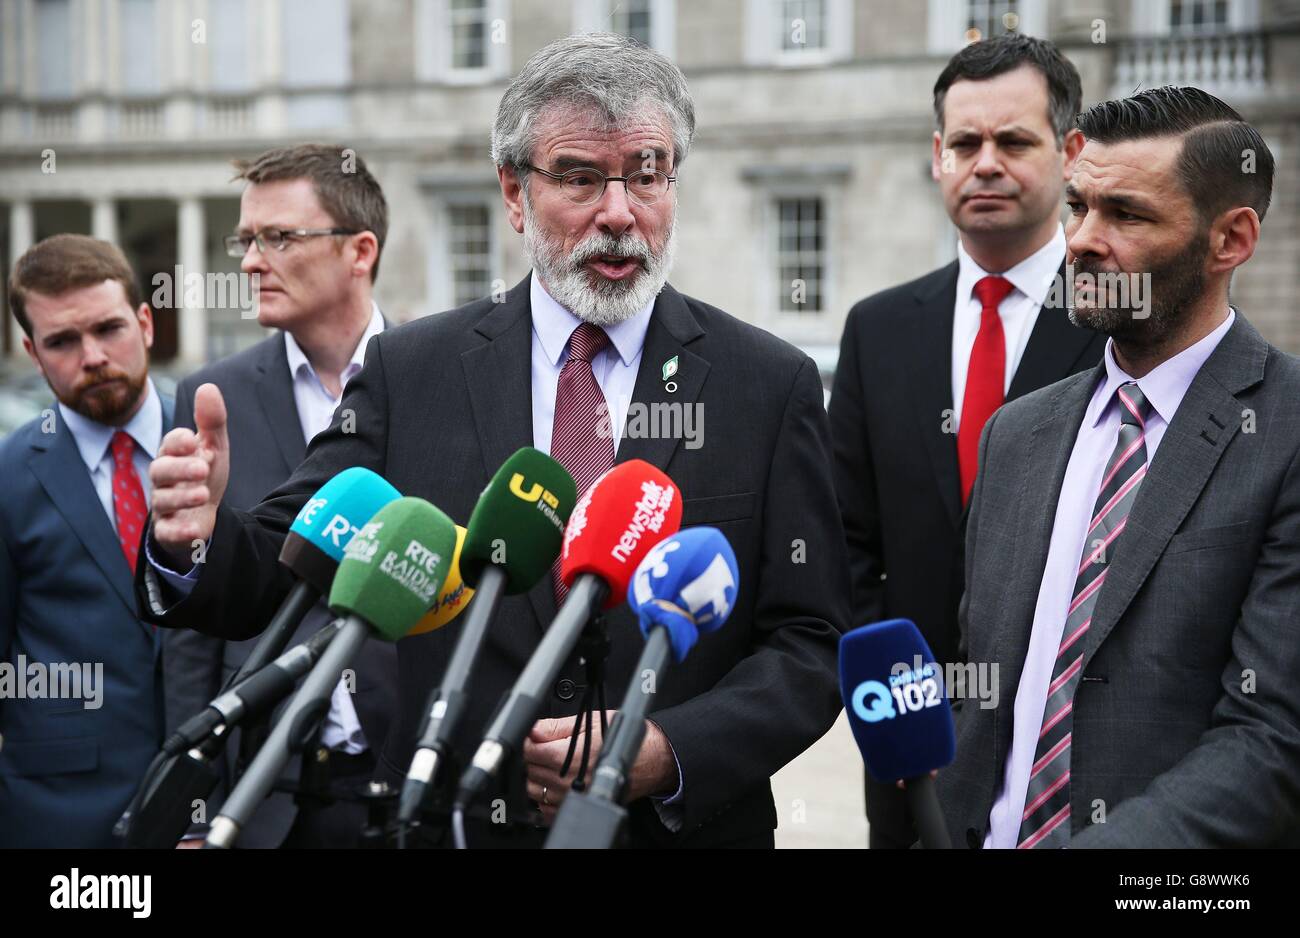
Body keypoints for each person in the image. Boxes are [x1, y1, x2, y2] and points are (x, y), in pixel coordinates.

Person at [137, 33, 850, 848]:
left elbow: (810, 644)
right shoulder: (410, 370)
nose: (619, 212)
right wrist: (189, 538)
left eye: (646, 174)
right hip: (459, 825)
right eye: (581, 177)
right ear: (514, 193)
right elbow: (277, 570)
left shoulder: (769, 382)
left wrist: (667, 749)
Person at [939, 85, 1300, 848]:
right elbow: (982, 686)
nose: (1079, 240)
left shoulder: (1287, 430)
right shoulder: (1018, 434)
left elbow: (1272, 739)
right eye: (1078, 206)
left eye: (1126, 215)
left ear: (1230, 239)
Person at [828, 34, 1104, 847]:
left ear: (1069, 151)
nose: (986, 163)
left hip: (1074, 752)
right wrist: (897, 696)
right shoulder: (877, 329)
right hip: (910, 753)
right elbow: (845, 539)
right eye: (964, 143)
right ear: (937, 155)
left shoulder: (1122, 319)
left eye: (1013, 141)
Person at [161, 144, 396, 848]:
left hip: (405, 780)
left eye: (280, 237)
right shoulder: (212, 395)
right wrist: (190, 803)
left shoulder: (439, 378)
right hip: (265, 793)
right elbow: (190, 640)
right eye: (247, 239)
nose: (252, 261)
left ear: (359, 251)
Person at [0, 234, 172, 847]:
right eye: (63, 342)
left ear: (145, 322)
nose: (93, 355)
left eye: (108, 328)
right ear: (32, 352)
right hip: (60, 817)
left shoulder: (219, 443)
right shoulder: (9, 477)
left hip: (220, 799)